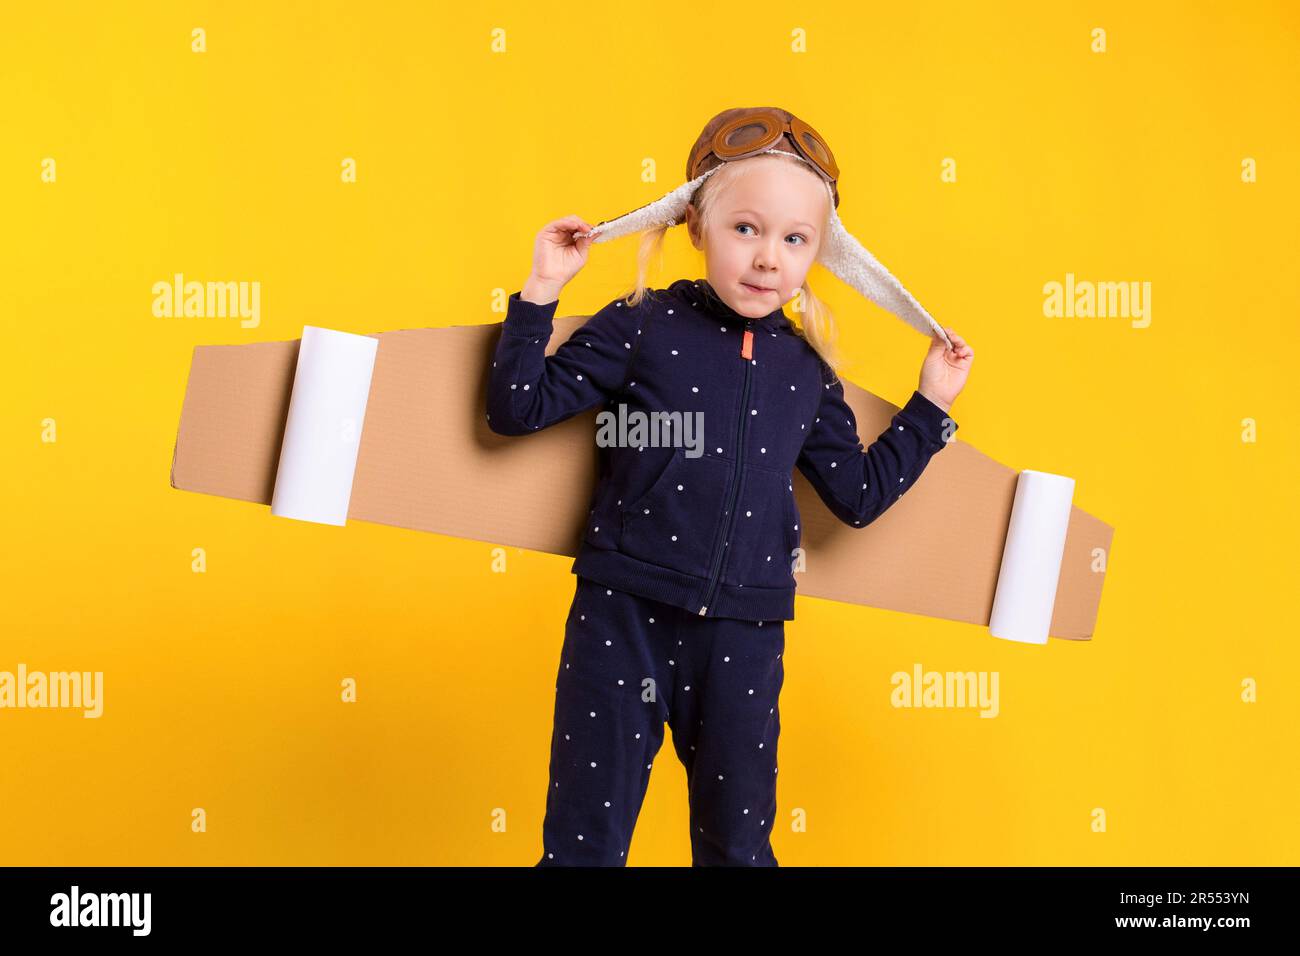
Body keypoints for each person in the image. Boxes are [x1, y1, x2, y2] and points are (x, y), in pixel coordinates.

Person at [486, 107, 975, 865]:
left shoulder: (808, 374)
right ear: (695, 225)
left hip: (743, 640)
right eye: (746, 229)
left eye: (794, 240)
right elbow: (517, 409)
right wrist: (542, 289)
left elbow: (858, 495)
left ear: (818, 254)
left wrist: (931, 405)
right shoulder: (641, 326)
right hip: (622, 619)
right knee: (581, 848)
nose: (767, 259)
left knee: (739, 852)